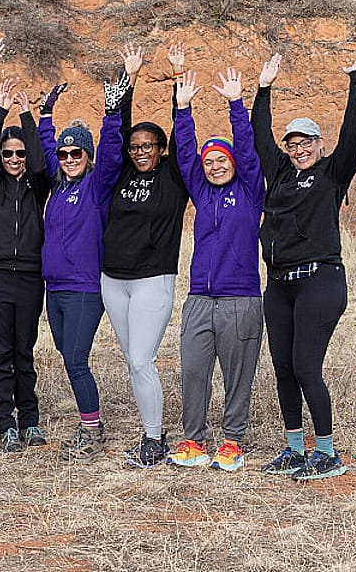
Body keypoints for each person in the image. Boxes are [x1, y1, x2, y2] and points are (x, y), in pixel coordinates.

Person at [253, 53, 356, 481]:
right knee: (283, 368)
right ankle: (294, 449)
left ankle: (327, 453)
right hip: (279, 284)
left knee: (305, 366)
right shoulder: (280, 173)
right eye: (293, 143)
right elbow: (258, 135)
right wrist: (263, 89)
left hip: (320, 279)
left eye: (306, 142)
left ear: (319, 145)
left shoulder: (332, 173)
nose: (299, 149)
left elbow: (354, 135)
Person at [165, 62, 265, 473]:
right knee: (192, 369)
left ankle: (233, 441)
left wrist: (236, 105)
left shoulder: (250, 191)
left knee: (238, 375)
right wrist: (182, 108)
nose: (215, 165)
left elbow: (247, 148)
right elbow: (185, 153)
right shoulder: (201, 193)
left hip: (240, 298)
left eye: (222, 160)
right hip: (199, 299)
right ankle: (193, 440)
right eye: (210, 162)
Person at [100, 45, 190, 469]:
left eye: (148, 146)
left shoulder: (174, 176)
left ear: (161, 149)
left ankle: (154, 439)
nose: (139, 152)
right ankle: (150, 431)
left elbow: (182, 129)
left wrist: (178, 80)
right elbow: (117, 127)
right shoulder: (119, 172)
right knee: (134, 362)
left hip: (154, 277)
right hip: (113, 279)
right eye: (135, 146)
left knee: (141, 358)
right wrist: (128, 77)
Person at [37, 62, 131, 463]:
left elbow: (111, 155)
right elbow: (45, 149)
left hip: (84, 289)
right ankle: (91, 422)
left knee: (76, 359)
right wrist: (44, 116)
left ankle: (91, 430)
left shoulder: (96, 186)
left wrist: (112, 114)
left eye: (77, 152)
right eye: (64, 152)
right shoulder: (58, 185)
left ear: (87, 156)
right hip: (53, 288)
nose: (69, 157)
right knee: (67, 356)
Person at [0, 78, 51, 453]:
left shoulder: (37, 186)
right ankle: (5, 422)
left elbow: (40, 162)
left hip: (29, 277)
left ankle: (30, 421)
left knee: (24, 352)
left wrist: (26, 117)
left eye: (19, 154)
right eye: (9, 154)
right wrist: (0, 110)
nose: (14, 160)